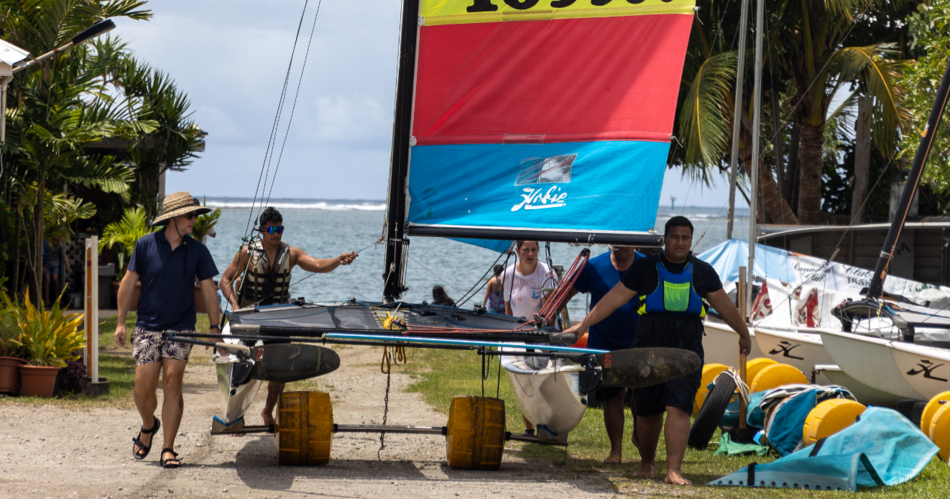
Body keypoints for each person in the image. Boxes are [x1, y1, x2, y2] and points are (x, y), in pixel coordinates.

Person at [565, 217, 751, 485]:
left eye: (685, 238)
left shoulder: (703, 272)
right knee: (648, 409)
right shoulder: (645, 268)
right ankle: (647, 462)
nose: (680, 242)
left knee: (678, 406)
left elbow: (725, 307)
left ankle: (673, 469)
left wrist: (743, 334)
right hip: (649, 343)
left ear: (691, 241)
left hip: (686, 347)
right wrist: (582, 326)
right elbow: (613, 300)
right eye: (675, 237)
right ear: (665, 239)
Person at [219, 207, 357, 425]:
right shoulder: (246, 253)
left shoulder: (291, 254)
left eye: (280, 228)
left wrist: (338, 260)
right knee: (241, 366)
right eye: (273, 229)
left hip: (278, 318)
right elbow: (225, 280)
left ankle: (267, 411)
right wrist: (235, 307)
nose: (277, 233)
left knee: (280, 370)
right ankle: (238, 415)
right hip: (248, 318)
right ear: (262, 230)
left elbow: (319, 265)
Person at [115, 192, 221, 469]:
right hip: (148, 326)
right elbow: (127, 284)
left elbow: (210, 291)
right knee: (143, 387)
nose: (194, 220)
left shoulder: (198, 250)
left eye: (196, 215)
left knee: (173, 381)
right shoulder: (145, 245)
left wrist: (214, 327)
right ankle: (149, 425)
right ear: (174, 217)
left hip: (181, 328)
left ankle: (168, 448)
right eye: (190, 215)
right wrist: (120, 321)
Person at [564, 245, 643, 464]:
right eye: (616, 240)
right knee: (612, 396)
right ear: (609, 241)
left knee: (640, 394)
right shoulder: (594, 267)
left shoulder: (645, 266)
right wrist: (548, 317)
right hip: (603, 343)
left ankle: (639, 433)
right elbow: (566, 293)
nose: (621, 246)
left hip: (638, 342)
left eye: (626, 241)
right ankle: (616, 450)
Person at [501, 240, 558, 434]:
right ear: (517, 251)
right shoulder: (507, 274)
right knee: (522, 379)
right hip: (518, 333)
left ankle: (546, 422)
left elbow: (551, 312)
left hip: (541, 333)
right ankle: (529, 427)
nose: (530, 254)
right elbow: (507, 310)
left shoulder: (547, 273)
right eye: (526, 250)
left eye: (534, 250)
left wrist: (543, 319)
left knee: (543, 380)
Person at [43, 238, 72, 306]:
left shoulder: (60, 244)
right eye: (57, 240)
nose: (58, 241)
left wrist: (68, 267)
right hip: (46, 263)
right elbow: (42, 252)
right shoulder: (46, 242)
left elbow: (64, 255)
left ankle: (58, 298)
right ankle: (47, 300)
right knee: (47, 280)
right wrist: (43, 264)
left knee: (55, 279)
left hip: (55, 263)